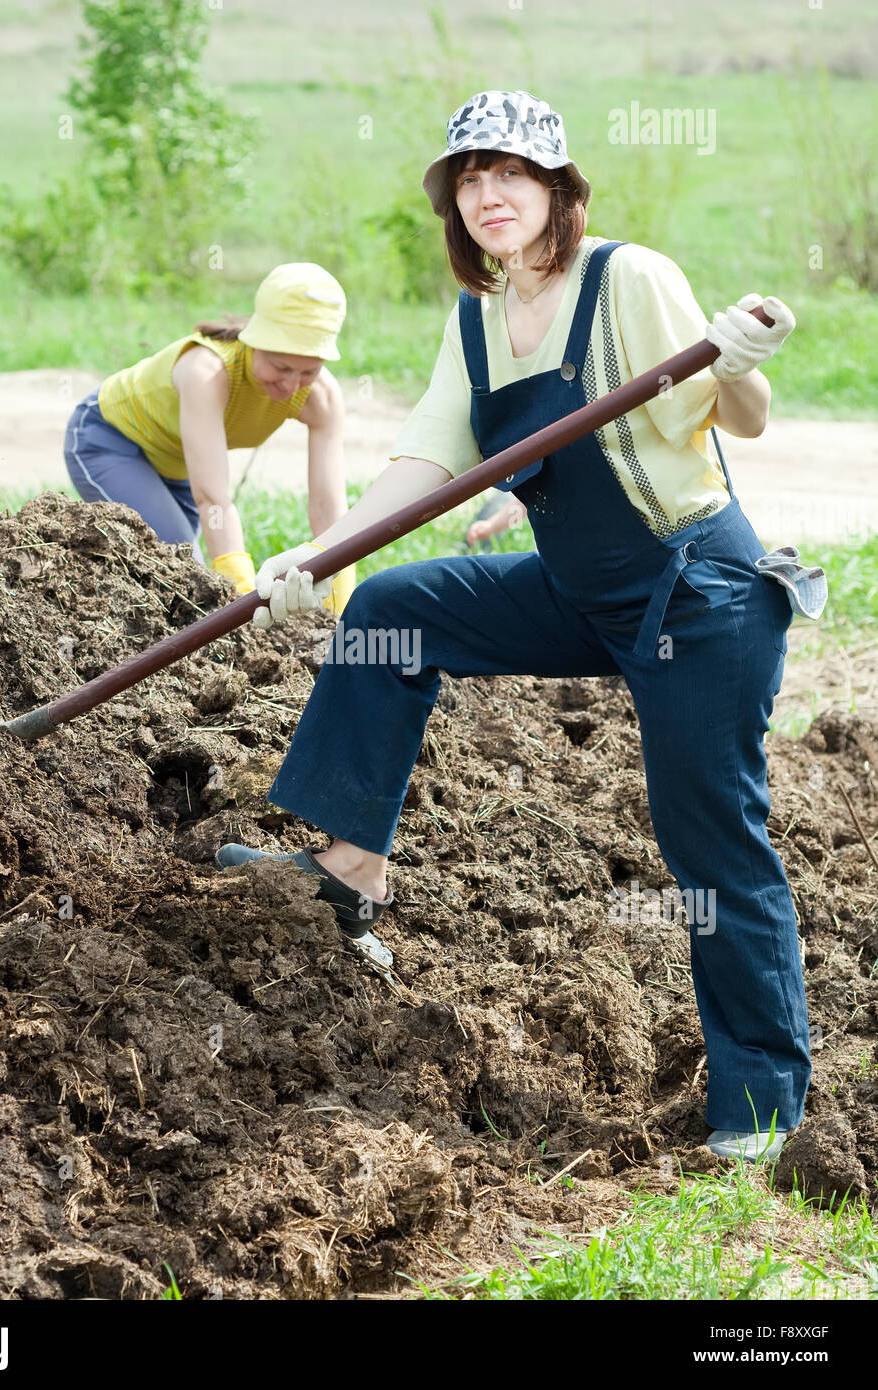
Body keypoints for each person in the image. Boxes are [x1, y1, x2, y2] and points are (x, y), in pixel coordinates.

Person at [215, 91, 810, 1164]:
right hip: (576, 591)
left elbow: (745, 418)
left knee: (709, 839)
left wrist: (733, 360)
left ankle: (764, 1110)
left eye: (512, 175)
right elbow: (425, 462)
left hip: (698, 600)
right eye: (470, 180)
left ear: (556, 189)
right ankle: (351, 864)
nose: (489, 196)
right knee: (392, 610)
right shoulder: (478, 321)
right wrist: (320, 551)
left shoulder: (629, 277)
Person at [63, 262, 356, 613]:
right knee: (186, 574)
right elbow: (213, 499)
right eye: (281, 368)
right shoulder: (207, 371)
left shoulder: (321, 397)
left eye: (310, 370)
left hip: (178, 465)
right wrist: (246, 599)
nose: (292, 385)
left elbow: (328, 510)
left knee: (180, 576)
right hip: (108, 441)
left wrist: (340, 611)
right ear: (255, 341)